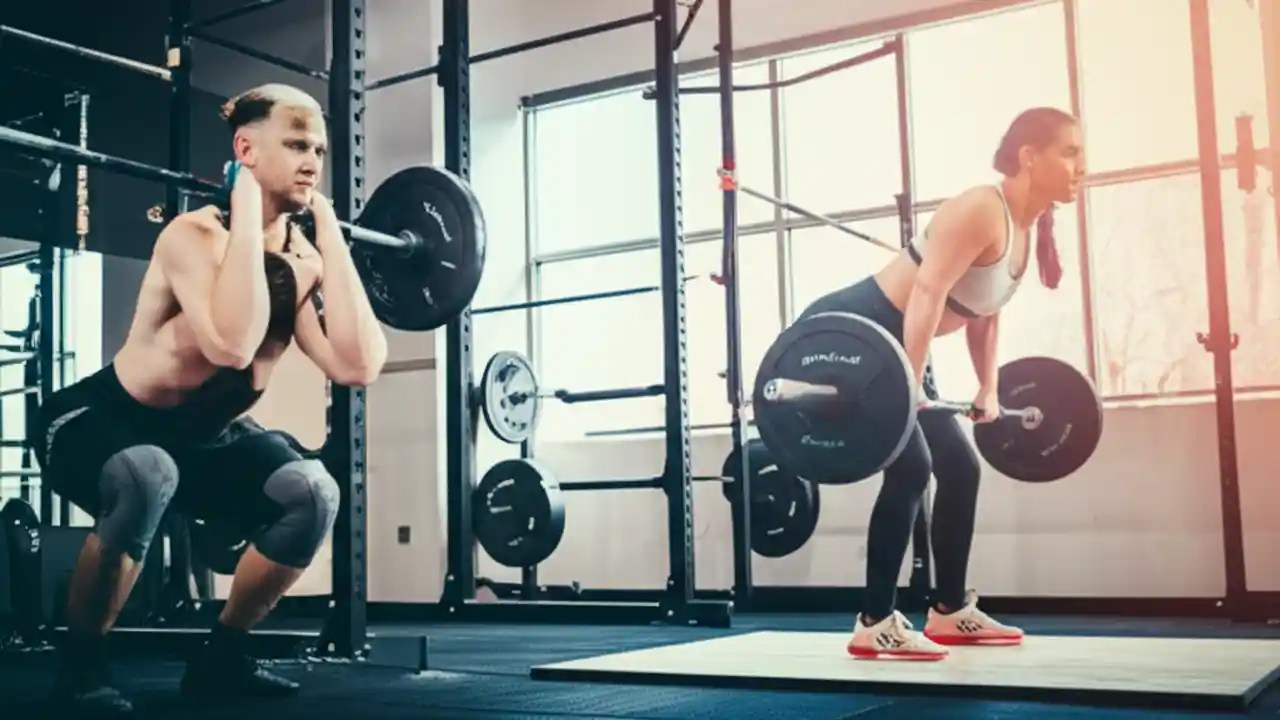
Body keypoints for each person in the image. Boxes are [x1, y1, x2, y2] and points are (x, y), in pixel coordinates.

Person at [30, 83, 389, 716]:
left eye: (321, 150)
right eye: (297, 145)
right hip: (104, 420)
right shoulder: (191, 236)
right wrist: (249, 210)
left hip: (205, 439)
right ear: (245, 149)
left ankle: (221, 657)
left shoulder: (303, 259)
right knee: (149, 472)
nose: (313, 162)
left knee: (313, 494)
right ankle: (81, 670)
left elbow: (358, 364)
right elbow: (231, 341)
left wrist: (330, 237)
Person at [795, 107, 1085, 660]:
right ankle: (874, 620)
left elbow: (985, 308)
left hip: (904, 347)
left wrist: (989, 388)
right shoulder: (983, 207)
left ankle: (949, 611)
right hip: (859, 336)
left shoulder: (1022, 231)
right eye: (1069, 152)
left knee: (961, 465)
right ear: (1029, 156)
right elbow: (926, 293)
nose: (1081, 167)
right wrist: (909, 375)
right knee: (913, 466)